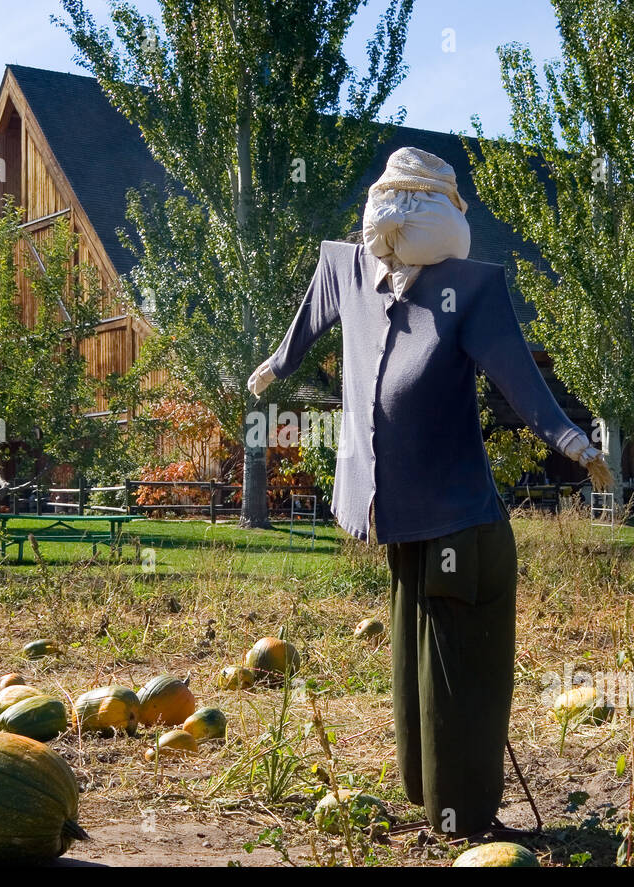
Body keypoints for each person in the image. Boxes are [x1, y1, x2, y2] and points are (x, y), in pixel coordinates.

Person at [249, 147, 610, 836]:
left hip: (455, 523)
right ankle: (443, 810)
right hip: (408, 520)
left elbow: (518, 376)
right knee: (423, 670)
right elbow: (312, 313)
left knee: (452, 672)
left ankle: (459, 817)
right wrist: (277, 361)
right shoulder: (350, 271)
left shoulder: (468, 289)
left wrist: (571, 440)